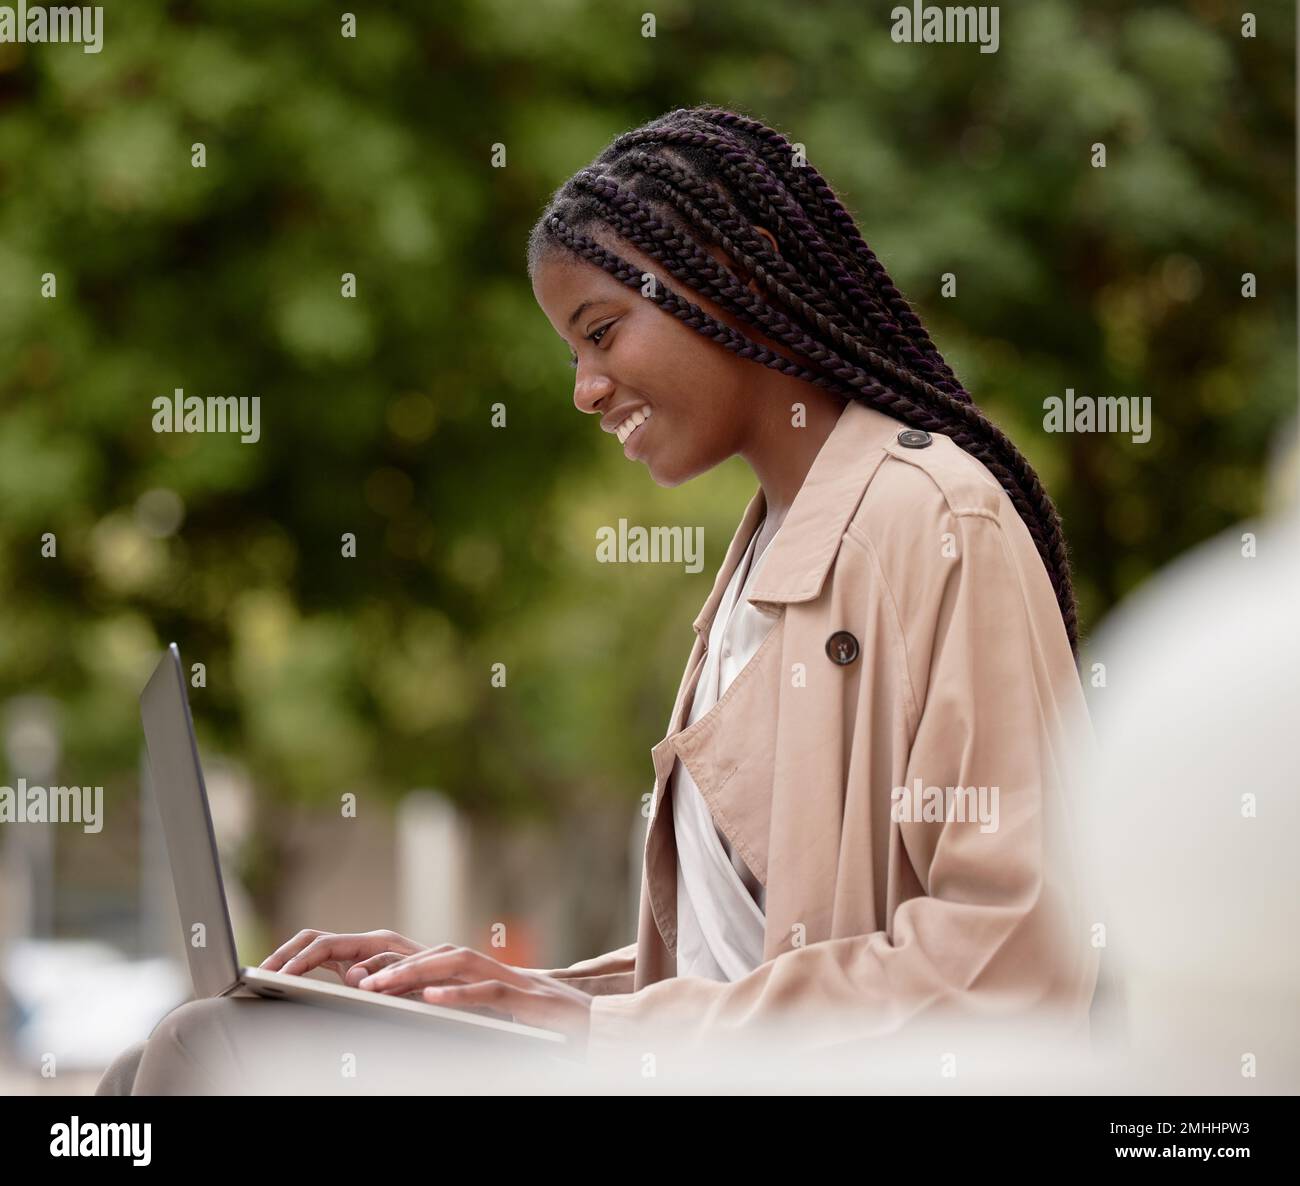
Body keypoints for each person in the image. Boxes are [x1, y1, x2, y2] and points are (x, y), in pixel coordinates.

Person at [99, 103, 1099, 1093]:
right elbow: (727, 973)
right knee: (154, 1062)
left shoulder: (933, 516)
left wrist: (591, 1032)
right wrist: (487, 993)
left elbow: (1014, 959)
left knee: (214, 1051)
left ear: (738, 267)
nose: (584, 388)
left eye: (603, 330)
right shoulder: (760, 561)